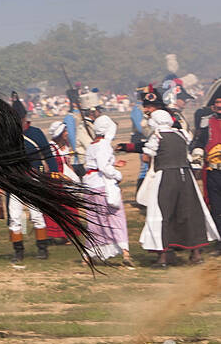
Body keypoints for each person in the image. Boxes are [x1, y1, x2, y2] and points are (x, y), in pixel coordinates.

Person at [139, 109, 217, 265]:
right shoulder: (181, 134)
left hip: (166, 177)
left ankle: (163, 257)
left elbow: (146, 156)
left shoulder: (158, 136)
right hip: (185, 177)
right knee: (190, 212)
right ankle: (196, 255)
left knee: (161, 214)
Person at [1, 114, 58, 263]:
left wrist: (53, 172)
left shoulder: (35, 133)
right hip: (14, 182)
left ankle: (42, 249)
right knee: (15, 218)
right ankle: (18, 252)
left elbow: (47, 154)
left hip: (33, 180)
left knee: (37, 216)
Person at [82, 115, 133, 266]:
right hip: (103, 186)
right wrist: (118, 174)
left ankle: (88, 255)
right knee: (115, 217)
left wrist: (113, 163)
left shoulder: (91, 145)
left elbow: (96, 164)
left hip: (90, 186)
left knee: (95, 221)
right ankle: (125, 252)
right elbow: (103, 167)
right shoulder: (104, 145)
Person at [191, 88, 221, 241]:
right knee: (216, 208)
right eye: (217, 102)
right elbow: (198, 143)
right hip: (213, 172)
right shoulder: (206, 122)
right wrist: (196, 158)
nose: (219, 105)